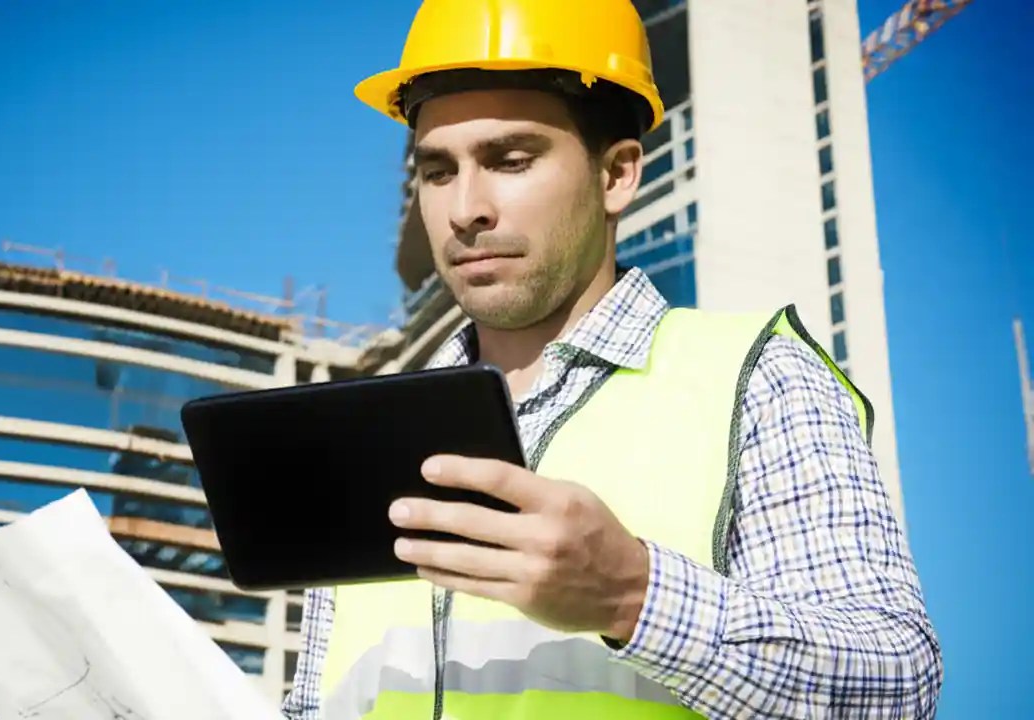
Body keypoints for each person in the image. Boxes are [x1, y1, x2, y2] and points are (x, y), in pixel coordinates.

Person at [282, 1, 943, 717]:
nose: (465, 208)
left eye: (510, 160)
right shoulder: (364, 438)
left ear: (617, 175)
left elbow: (895, 686)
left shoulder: (757, 377)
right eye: (438, 171)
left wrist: (633, 594)